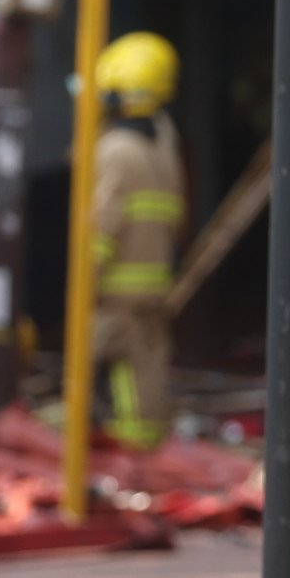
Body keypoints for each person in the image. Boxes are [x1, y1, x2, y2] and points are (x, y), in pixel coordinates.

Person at [90, 31, 187, 449]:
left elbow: (103, 226)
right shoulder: (165, 150)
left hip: (113, 296)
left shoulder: (114, 150)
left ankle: (118, 463)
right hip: (155, 292)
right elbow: (177, 220)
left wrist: (84, 282)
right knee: (145, 387)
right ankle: (146, 464)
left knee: (83, 381)